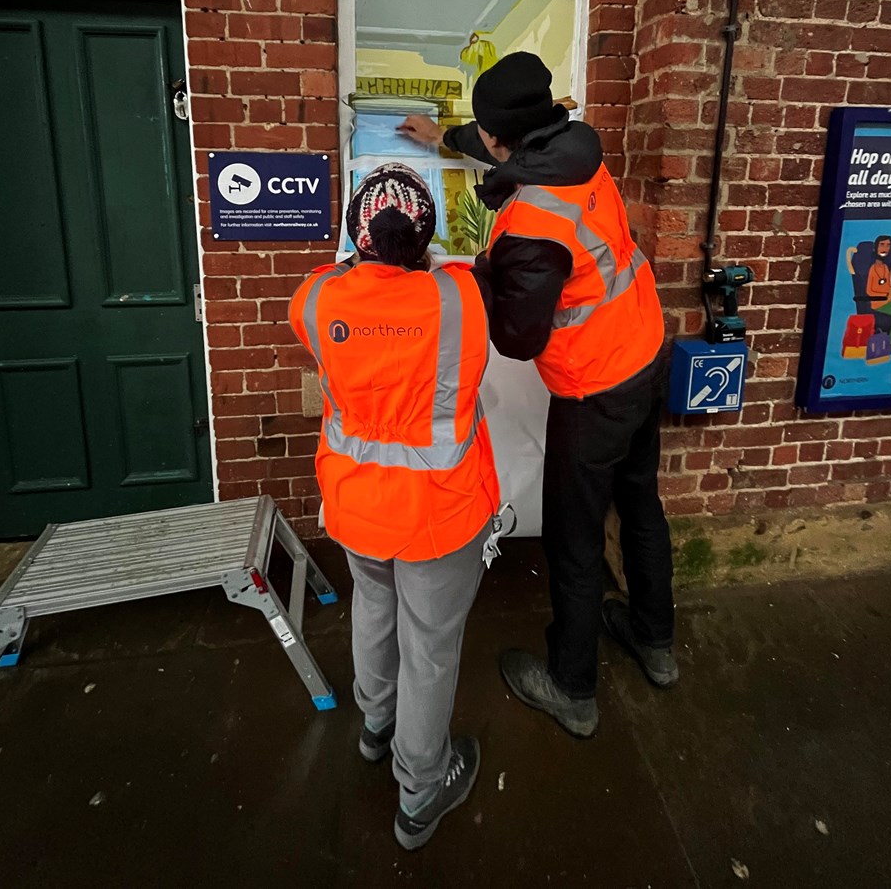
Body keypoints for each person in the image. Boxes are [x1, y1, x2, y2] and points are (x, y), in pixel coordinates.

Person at [399, 52, 676, 741]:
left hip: (596, 388)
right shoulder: (577, 151)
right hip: (646, 348)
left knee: (575, 539)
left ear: (501, 136)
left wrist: (474, 276)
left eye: (483, 134)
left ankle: (572, 685)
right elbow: (512, 148)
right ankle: (654, 641)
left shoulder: (529, 224)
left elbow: (520, 338)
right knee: (640, 502)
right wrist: (444, 139)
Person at [289, 163, 500, 850]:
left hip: (356, 508)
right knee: (431, 651)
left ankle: (376, 727)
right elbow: (456, 272)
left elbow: (341, 282)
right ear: (424, 238)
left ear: (356, 236)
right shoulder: (462, 299)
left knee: (373, 612)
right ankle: (421, 792)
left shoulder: (316, 301)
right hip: (438, 516)